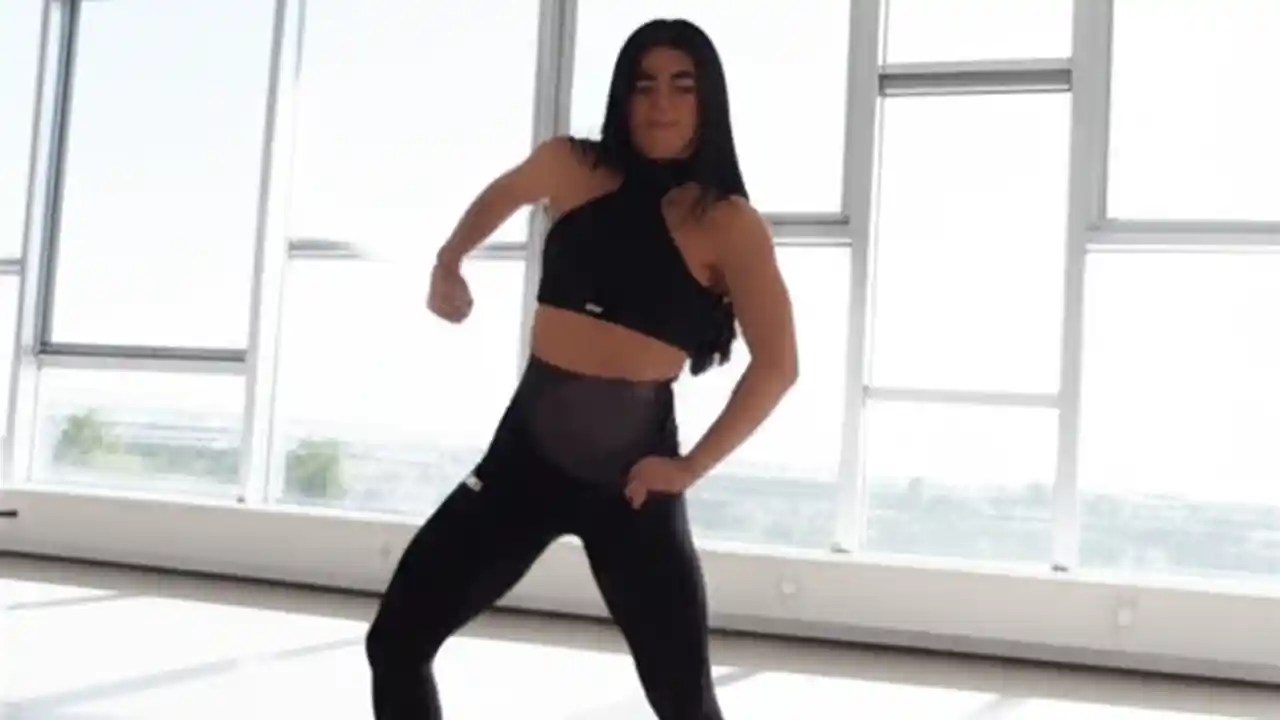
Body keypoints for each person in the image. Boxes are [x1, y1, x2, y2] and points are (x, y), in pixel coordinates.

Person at [365, 17, 797, 720]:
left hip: (632, 488)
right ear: (622, 97)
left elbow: (778, 366)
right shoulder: (572, 165)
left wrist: (689, 468)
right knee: (396, 641)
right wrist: (449, 260)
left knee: (686, 704)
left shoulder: (728, 224)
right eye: (644, 84)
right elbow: (501, 195)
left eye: (681, 86)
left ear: (707, 101)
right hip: (521, 466)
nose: (660, 102)